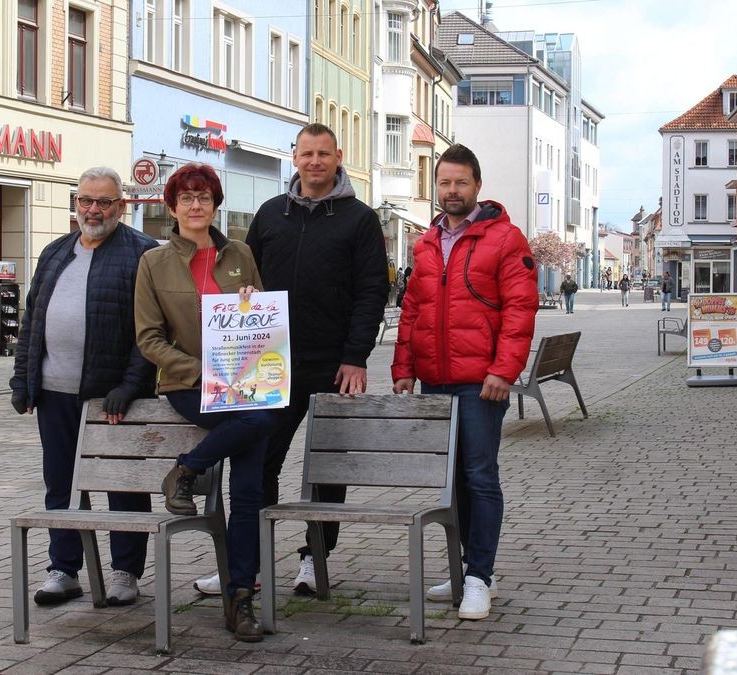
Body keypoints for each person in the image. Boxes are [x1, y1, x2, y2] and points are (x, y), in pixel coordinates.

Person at [190, 122, 389, 596]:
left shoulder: (360, 219)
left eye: (324, 154)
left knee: (326, 469)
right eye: (307, 153)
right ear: (294, 157)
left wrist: (355, 356)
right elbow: (246, 274)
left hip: (332, 364)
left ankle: (313, 560)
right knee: (258, 464)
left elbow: (371, 292)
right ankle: (247, 565)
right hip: (269, 362)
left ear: (338, 157)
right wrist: (241, 295)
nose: (315, 161)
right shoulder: (270, 213)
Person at [391, 143, 538, 620]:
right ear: (436, 187)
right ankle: (463, 569)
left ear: (477, 185)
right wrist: (403, 369)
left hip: (480, 384)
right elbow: (413, 310)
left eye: (460, 182)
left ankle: (480, 577)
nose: (451, 191)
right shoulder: (427, 242)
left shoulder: (505, 238)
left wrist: (503, 370)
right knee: (452, 482)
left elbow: (520, 310)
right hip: (434, 379)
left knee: (479, 477)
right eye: (444, 182)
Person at [133, 162, 274, 642]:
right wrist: (200, 372)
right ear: (171, 207)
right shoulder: (153, 262)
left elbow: (260, 323)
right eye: (187, 198)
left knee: (250, 490)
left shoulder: (240, 254)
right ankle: (239, 599)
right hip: (188, 386)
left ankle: (188, 469)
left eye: (205, 197)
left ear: (216, 204)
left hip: (244, 384)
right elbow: (149, 338)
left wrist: (255, 303)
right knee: (260, 423)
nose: (196, 205)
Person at [9, 166, 159, 608]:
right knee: (61, 482)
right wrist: (23, 378)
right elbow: (32, 321)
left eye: (104, 202)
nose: (93, 210)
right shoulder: (55, 252)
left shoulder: (142, 254)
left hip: (113, 398)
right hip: (55, 391)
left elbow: (149, 331)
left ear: (122, 205)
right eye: (85, 201)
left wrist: (132, 385)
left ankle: (125, 573)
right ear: (75, 203)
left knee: (122, 484)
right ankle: (64, 568)